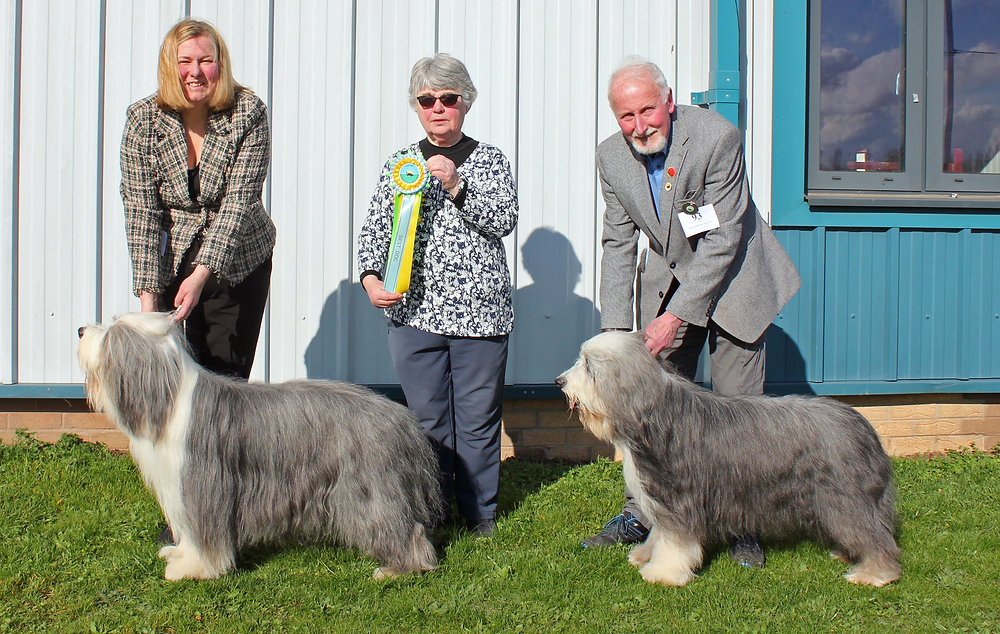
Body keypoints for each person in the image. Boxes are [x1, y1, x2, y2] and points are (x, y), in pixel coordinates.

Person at [586, 57, 801, 567]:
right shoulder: (611, 158)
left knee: (737, 413)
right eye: (625, 117)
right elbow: (618, 243)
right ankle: (643, 512)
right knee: (650, 410)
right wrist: (617, 337)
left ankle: (745, 523)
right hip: (669, 281)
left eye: (647, 111)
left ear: (669, 101)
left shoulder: (718, 138)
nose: (639, 126)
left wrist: (677, 316)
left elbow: (725, 237)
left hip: (736, 279)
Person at [357, 54, 518, 537]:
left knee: (477, 419)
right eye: (427, 100)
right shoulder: (400, 164)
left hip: (480, 317)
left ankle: (480, 512)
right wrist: (370, 280)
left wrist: (455, 184)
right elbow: (375, 231)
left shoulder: (489, 159)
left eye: (448, 99)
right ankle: (430, 508)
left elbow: (503, 219)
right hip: (414, 314)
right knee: (426, 421)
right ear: (417, 107)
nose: (438, 108)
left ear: (465, 103)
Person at [120, 18, 275, 381]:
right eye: (185, 61)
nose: (196, 72)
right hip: (170, 256)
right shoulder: (142, 120)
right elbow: (141, 212)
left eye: (206, 60)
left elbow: (239, 203)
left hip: (237, 255)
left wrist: (201, 275)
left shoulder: (248, 113)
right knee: (170, 379)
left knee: (222, 380)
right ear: (169, 67)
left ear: (220, 65)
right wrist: (149, 301)